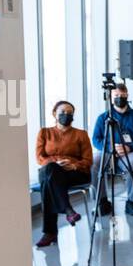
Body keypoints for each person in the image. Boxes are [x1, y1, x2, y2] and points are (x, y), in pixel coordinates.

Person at [34, 101, 92, 248]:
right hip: (53, 171)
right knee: (50, 171)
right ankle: (68, 210)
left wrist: (73, 165)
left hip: (75, 173)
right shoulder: (44, 133)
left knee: (48, 181)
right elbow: (40, 158)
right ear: (54, 113)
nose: (66, 115)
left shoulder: (81, 134)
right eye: (62, 112)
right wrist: (56, 162)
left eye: (69, 113)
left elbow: (88, 160)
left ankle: (50, 232)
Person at [91, 83, 133, 218]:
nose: (119, 98)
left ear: (127, 95)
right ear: (111, 97)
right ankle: (102, 201)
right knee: (94, 161)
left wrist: (129, 147)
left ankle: (131, 202)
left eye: (122, 95)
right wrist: (111, 147)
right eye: (116, 95)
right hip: (108, 152)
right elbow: (96, 139)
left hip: (132, 152)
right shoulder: (103, 117)